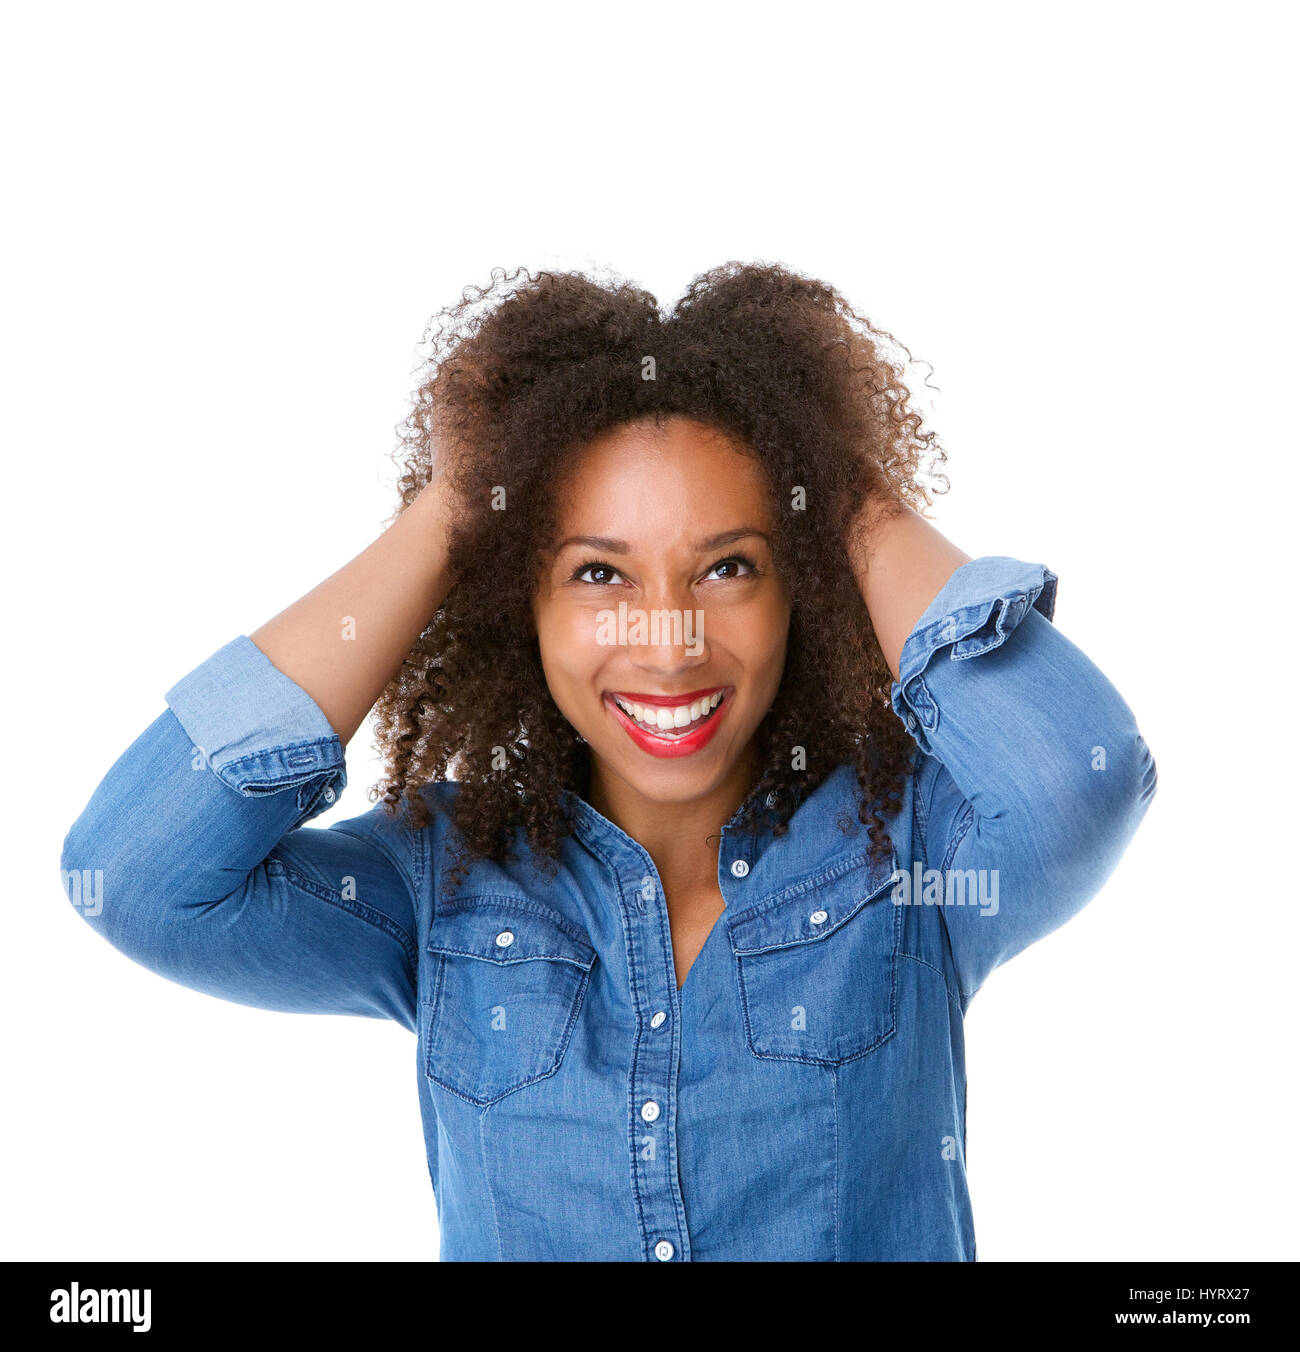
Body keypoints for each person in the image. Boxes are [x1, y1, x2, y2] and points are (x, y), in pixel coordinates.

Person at [61, 262, 1157, 1260]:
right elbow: (138, 874)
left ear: (803, 591)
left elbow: (1081, 771)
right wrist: (450, 509)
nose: (670, 643)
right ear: (514, 602)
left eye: (729, 565)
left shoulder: (910, 851)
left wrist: (834, 478)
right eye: (599, 575)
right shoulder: (436, 885)